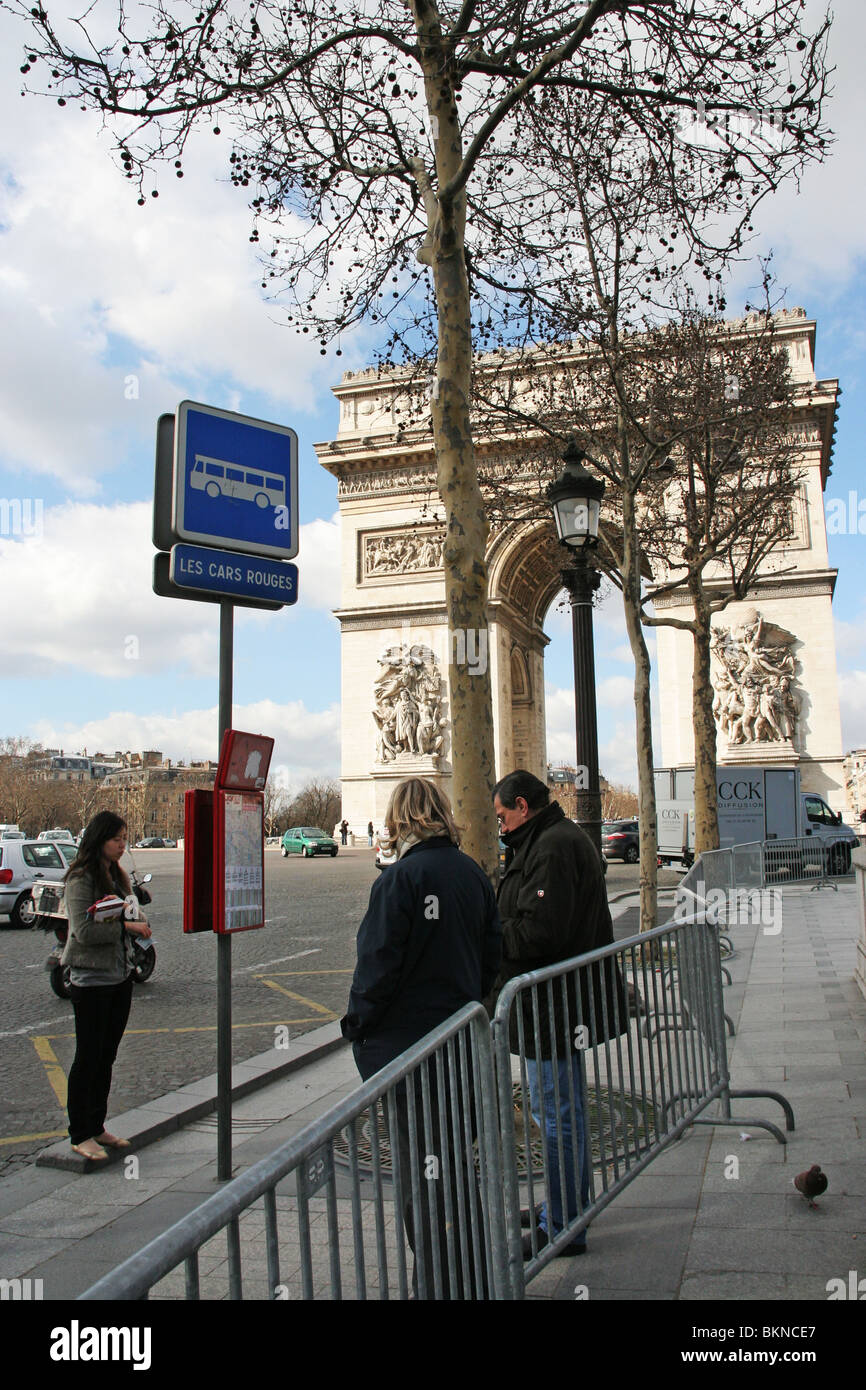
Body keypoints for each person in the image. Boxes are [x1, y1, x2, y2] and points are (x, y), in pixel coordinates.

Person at [341, 777, 501, 1298]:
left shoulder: (400, 880)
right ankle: (472, 1277)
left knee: (422, 1176)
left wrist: (357, 1027)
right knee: (453, 1168)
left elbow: (376, 969)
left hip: (409, 1052)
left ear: (398, 820)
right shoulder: (474, 875)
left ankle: (439, 1285)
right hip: (459, 1043)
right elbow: (492, 961)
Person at [488, 769, 620, 1260]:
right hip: (561, 1004)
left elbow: (541, 934)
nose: (499, 825)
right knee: (566, 1113)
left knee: (557, 1116)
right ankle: (568, 1207)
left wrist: (489, 938)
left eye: (502, 815)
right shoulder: (551, 840)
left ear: (523, 806)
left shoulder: (551, 848)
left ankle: (564, 1225)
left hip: (554, 1008)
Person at [61, 811, 152, 1163]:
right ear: (99, 840)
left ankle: (96, 1124)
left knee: (107, 1055)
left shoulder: (117, 876)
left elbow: (128, 914)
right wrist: (127, 929)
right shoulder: (81, 879)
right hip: (91, 978)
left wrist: (138, 920)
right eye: (116, 838)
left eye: (125, 837)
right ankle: (79, 1133)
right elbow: (83, 932)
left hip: (119, 974)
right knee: (88, 1056)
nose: (122, 844)